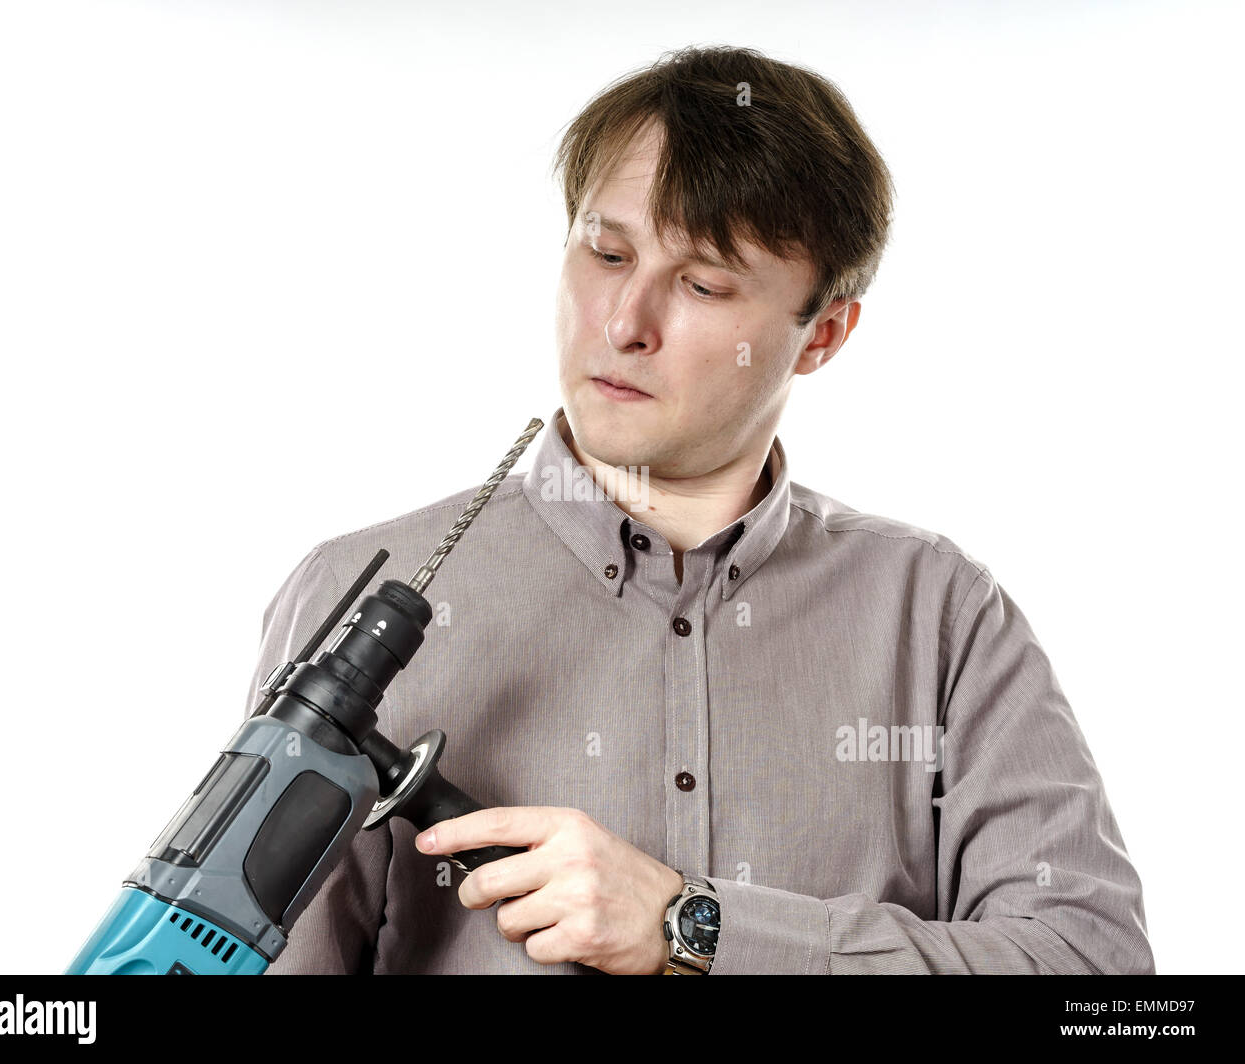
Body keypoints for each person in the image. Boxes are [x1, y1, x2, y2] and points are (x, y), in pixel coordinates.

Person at [243, 45, 1154, 974]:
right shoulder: (352, 594)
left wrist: (697, 927)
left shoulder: (943, 617)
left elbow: (1099, 983)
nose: (624, 322)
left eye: (702, 283)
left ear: (822, 335)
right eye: (606, 253)